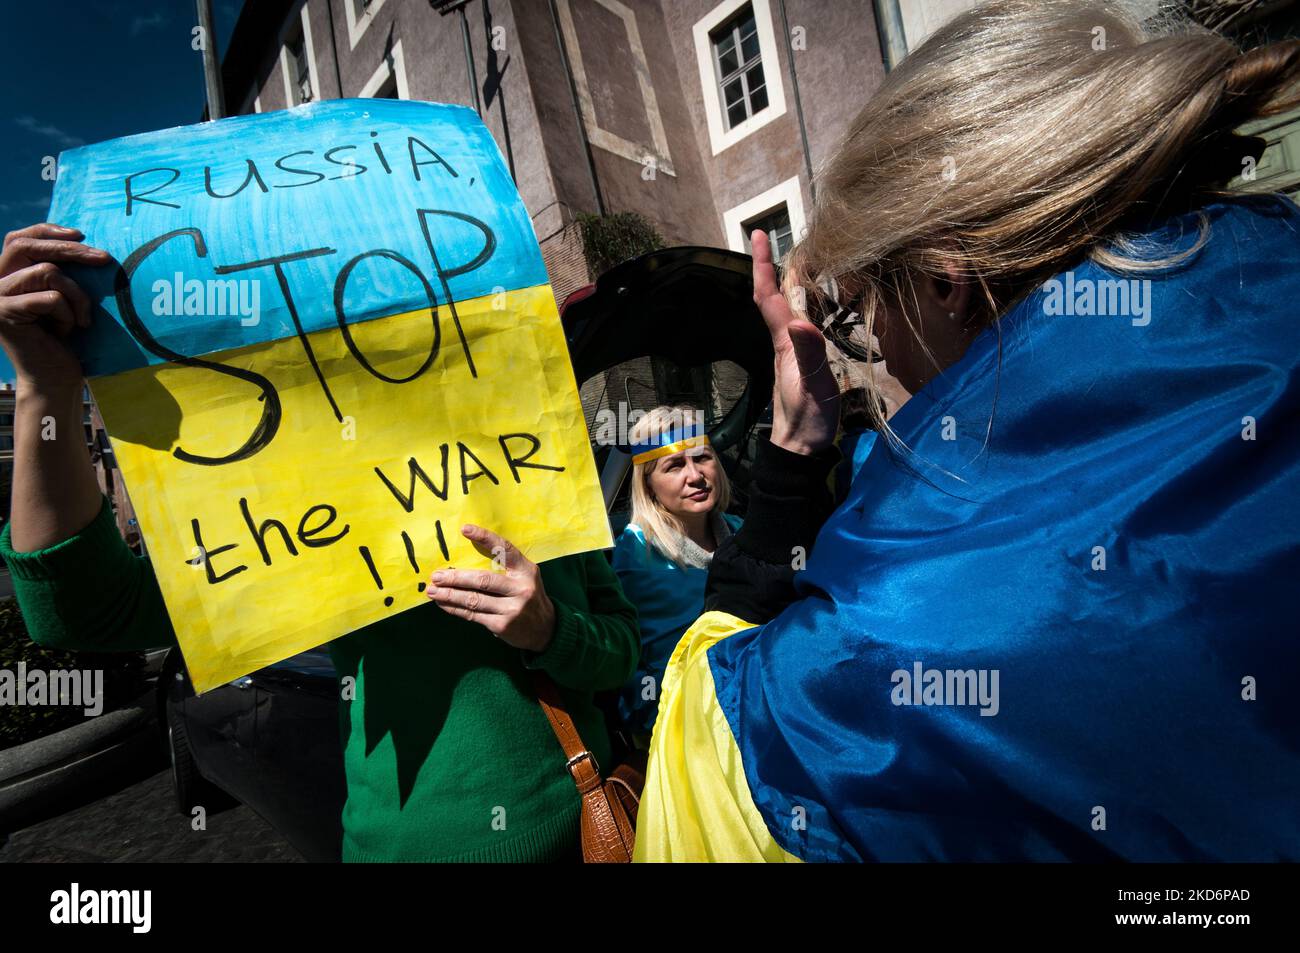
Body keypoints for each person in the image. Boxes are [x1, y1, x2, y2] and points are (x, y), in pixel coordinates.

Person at [635, 0, 1300, 861]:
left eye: (863, 312)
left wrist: (792, 454)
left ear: (947, 278)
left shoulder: (870, 650)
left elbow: (700, 768)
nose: (882, 358)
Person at [0, 223, 639, 863]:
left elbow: (619, 651)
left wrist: (550, 630)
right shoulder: (318, 512)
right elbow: (83, 610)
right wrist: (45, 390)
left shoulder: (540, 473)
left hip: (591, 835)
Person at [610, 406, 741, 743]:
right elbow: (625, 662)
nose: (695, 476)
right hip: (686, 733)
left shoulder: (743, 535)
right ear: (649, 485)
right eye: (674, 466)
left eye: (703, 458)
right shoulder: (636, 551)